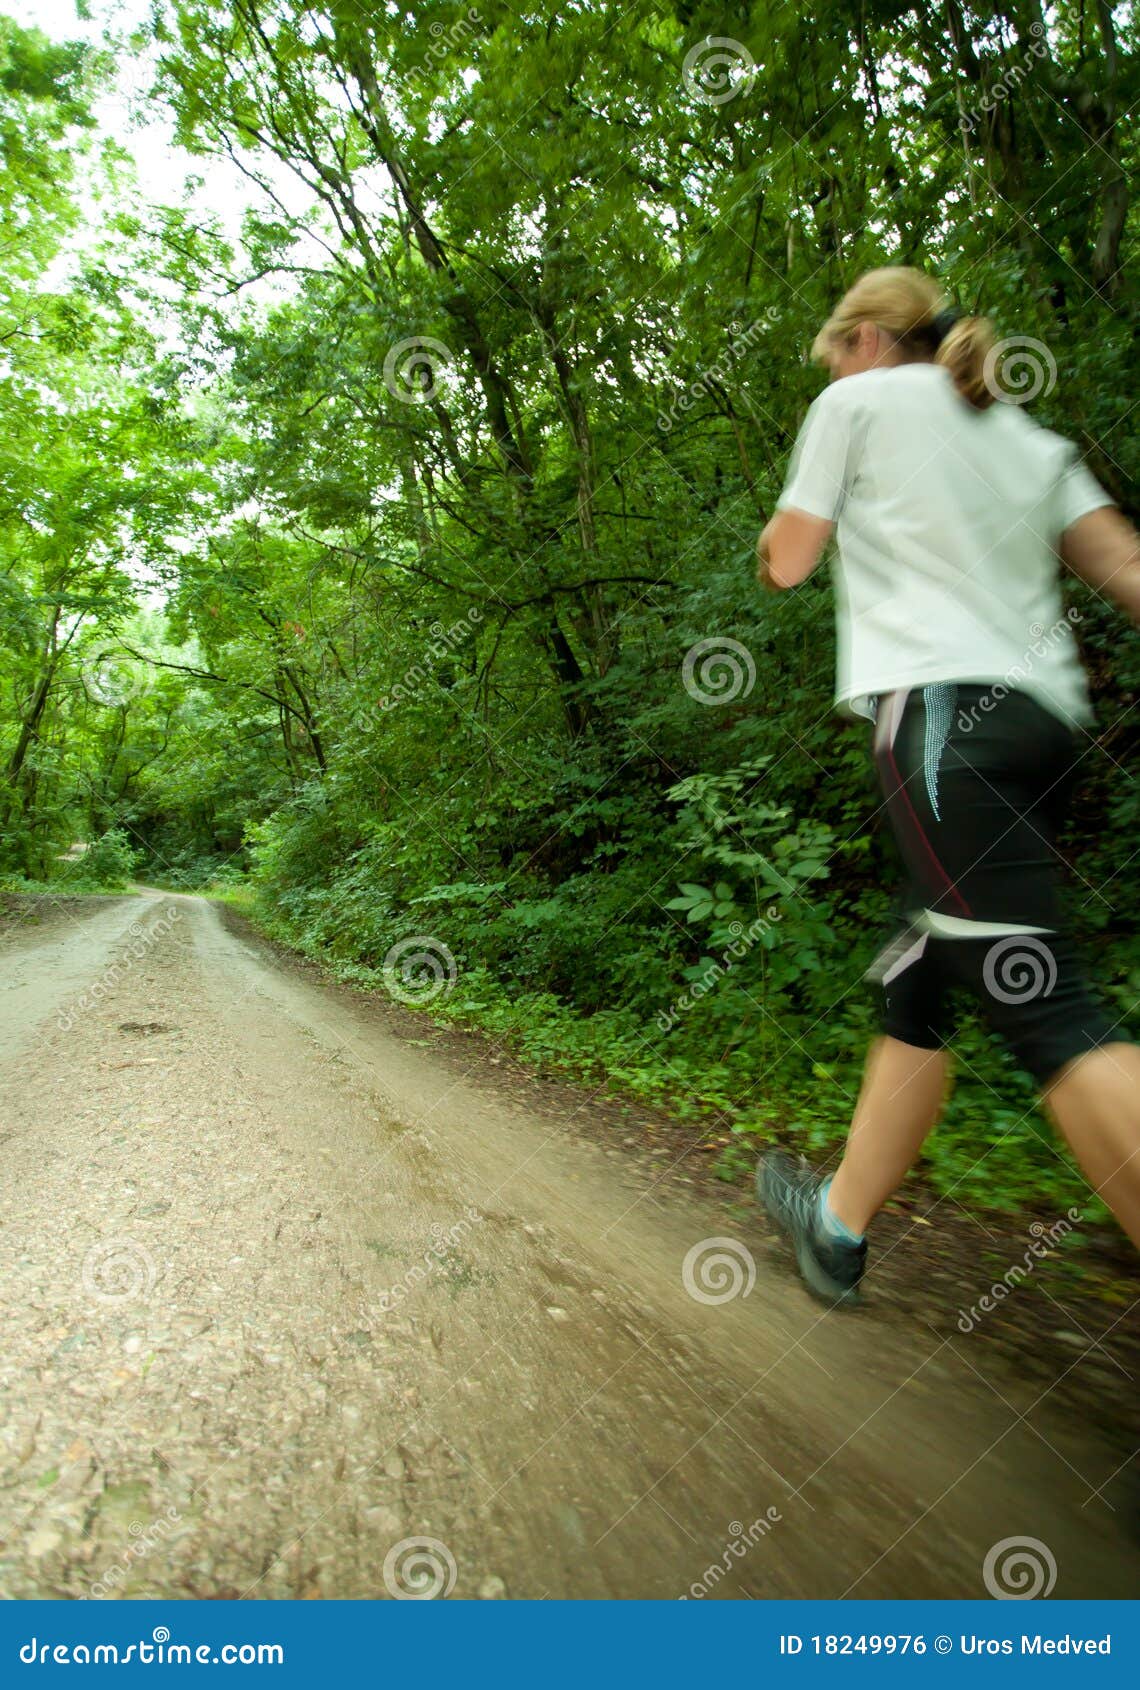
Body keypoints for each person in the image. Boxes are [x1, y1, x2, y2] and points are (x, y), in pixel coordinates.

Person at [753, 265, 1140, 1306]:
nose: (830, 370)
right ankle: (835, 1227)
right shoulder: (1025, 437)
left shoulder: (855, 404)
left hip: (938, 732)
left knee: (1045, 1003)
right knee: (920, 972)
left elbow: (788, 561)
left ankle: (837, 1221)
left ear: (867, 342)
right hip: (1043, 732)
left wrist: (779, 540)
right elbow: (1127, 568)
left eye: (833, 351)